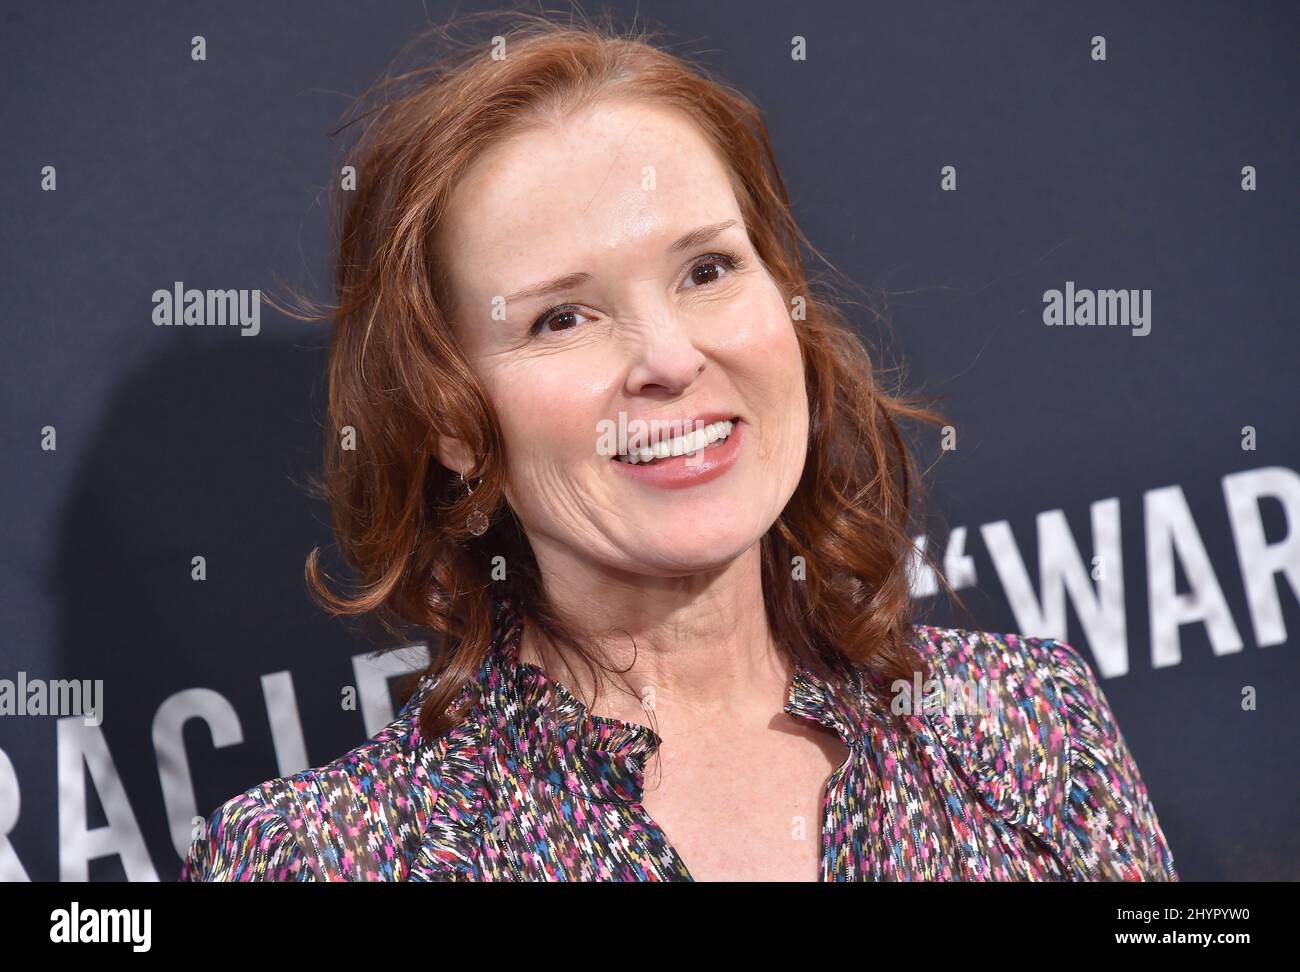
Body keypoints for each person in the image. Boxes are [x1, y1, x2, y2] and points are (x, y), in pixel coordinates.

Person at [180, 12, 1177, 882]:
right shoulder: (321, 860)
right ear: (449, 420)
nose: (668, 356)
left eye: (706, 269)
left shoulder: (1021, 727)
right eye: (560, 318)